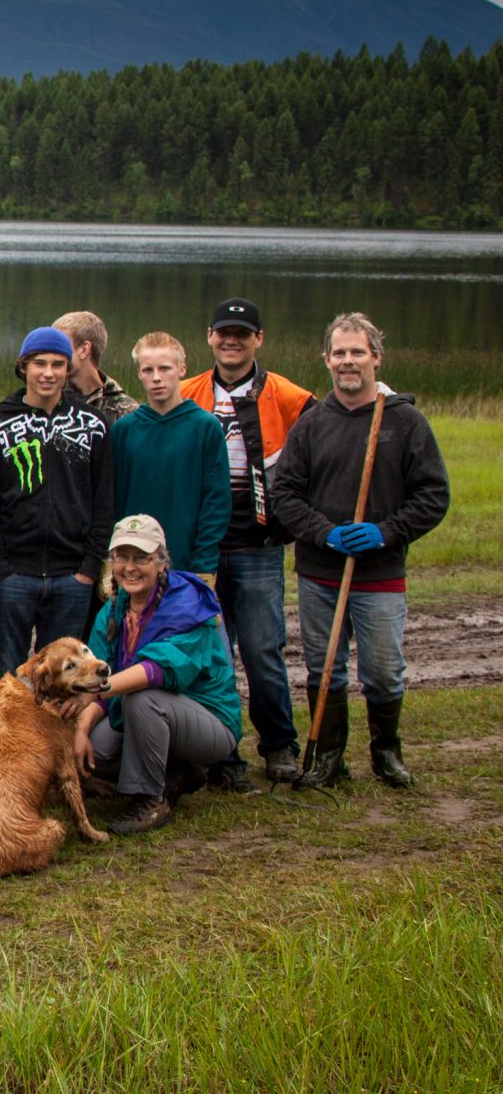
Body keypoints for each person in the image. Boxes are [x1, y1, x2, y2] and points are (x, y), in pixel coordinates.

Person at [270, 313, 450, 789]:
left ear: (376, 357)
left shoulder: (405, 422)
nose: (348, 362)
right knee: (323, 669)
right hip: (319, 572)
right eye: (340, 353)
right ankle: (328, 758)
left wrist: (386, 532)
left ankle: (386, 754)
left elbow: (433, 496)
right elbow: (284, 496)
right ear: (326, 359)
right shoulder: (311, 424)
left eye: (357, 352)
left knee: (383, 672)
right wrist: (326, 532)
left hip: (380, 572)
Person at [182, 297, 317, 783]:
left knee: (262, 651)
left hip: (259, 545)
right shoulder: (186, 391)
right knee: (211, 653)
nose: (232, 340)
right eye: (224, 332)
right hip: (203, 547)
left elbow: (318, 455)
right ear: (210, 337)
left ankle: (279, 745)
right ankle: (220, 753)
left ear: (258, 339)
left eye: (242, 333)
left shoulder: (289, 396)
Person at [73, 516, 242, 834]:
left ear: (161, 562)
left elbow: (156, 671)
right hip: (147, 712)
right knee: (96, 748)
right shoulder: (114, 609)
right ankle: (178, 772)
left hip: (210, 721)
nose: (130, 567)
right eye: (122, 557)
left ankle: (151, 799)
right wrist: (81, 727)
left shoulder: (186, 601)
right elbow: (103, 672)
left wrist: (95, 690)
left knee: (143, 696)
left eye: (142, 558)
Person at [0, 328, 114, 682]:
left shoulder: (93, 425)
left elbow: (104, 500)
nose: (48, 373)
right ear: (24, 367)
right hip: (14, 574)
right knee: (8, 673)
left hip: (72, 574)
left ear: (69, 368)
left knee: (64, 678)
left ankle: (55, 738)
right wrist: (0, 566)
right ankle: (6, 737)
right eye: (40, 364)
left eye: (58, 364)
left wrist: (89, 565)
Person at [112, 332, 229, 580]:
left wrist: (205, 564)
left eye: (165, 368)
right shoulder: (124, 430)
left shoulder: (205, 427)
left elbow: (216, 501)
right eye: (148, 370)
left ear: (182, 368)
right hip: (132, 563)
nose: (156, 378)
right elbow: (112, 501)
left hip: (187, 562)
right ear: (138, 373)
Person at [54, 311, 137, 424]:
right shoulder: (50, 397)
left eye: (61, 346)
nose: (53, 354)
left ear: (84, 350)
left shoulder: (125, 411)